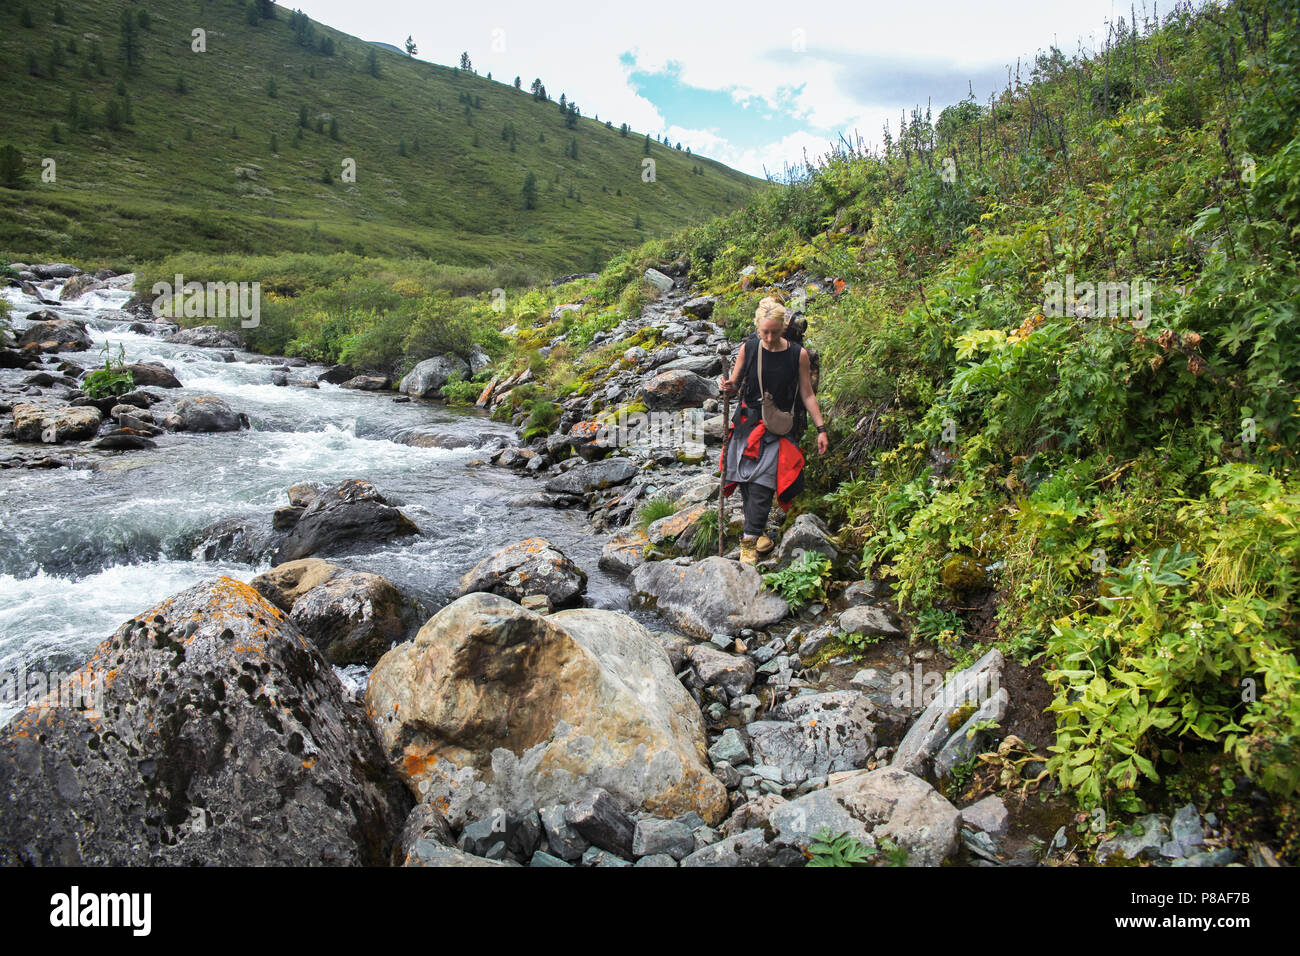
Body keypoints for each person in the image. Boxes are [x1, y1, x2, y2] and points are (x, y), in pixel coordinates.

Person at [718, 297, 829, 565]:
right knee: (746, 480)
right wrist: (727, 386)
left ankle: (748, 544)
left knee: (762, 484)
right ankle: (760, 533)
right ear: (758, 327)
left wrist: (821, 428)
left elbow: (807, 393)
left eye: (775, 332)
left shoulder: (797, 354)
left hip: (777, 428)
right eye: (764, 332)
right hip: (747, 422)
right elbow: (735, 383)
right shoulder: (750, 347)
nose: (769, 337)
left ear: (782, 328)